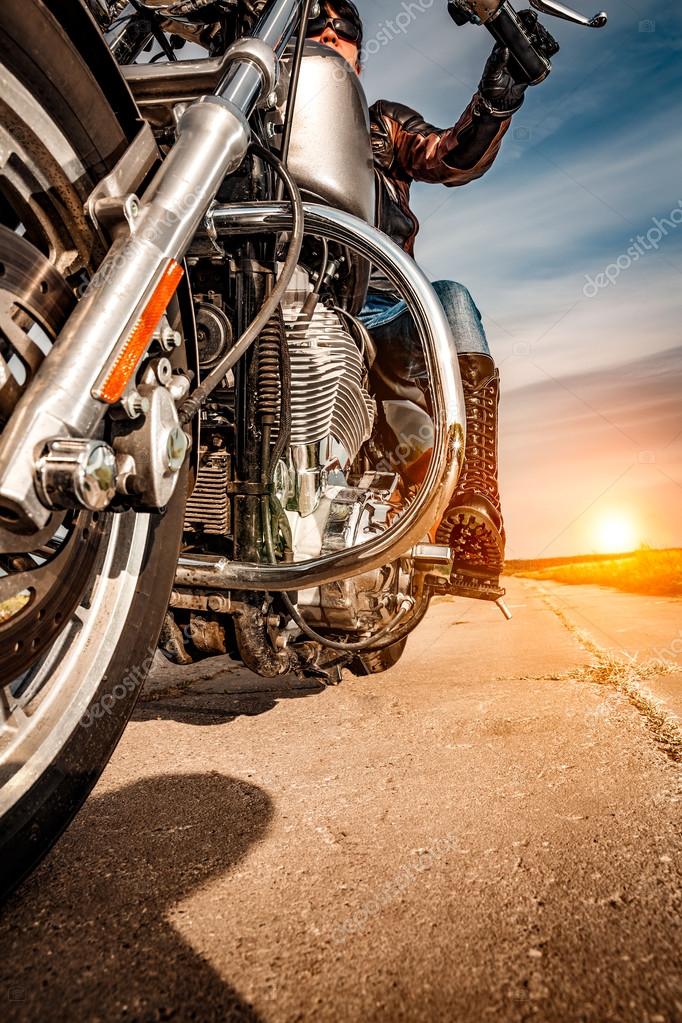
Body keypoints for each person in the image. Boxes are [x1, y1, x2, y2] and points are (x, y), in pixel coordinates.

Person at [306, 0, 556, 598]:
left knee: (452, 299)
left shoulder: (382, 123)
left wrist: (496, 99)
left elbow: (448, 156)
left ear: (358, 60)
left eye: (341, 30)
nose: (327, 35)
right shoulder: (257, 121)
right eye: (313, 27)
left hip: (384, 299)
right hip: (285, 295)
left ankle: (470, 504)